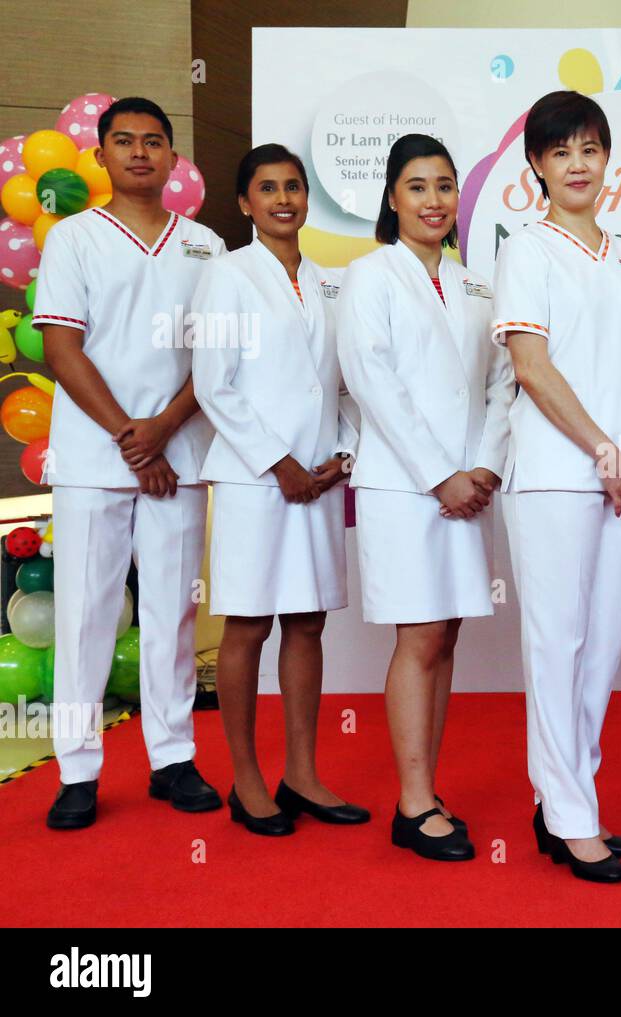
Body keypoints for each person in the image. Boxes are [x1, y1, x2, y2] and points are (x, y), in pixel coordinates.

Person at [492, 91, 621, 883]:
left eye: (590, 149)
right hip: (558, 477)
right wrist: (606, 451)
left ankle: (569, 800)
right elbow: (531, 367)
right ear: (536, 163)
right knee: (557, 644)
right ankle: (569, 817)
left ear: (608, 159)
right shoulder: (524, 250)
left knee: (600, 650)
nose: (577, 164)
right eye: (560, 150)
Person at [34, 97, 224, 829]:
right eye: (124, 141)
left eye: (154, 142)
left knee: (174, 609)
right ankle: (78, 769)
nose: (140, 152)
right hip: (93, 455)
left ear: (173, 159)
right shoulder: (75, 239)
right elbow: (61, 348)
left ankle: (172, 756)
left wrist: (163, 429)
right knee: (87, 611)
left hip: (178, 454)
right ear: (103, 156)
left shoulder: (205, 245)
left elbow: (215, 355)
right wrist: (127, 436)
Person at [337, 134, 513, 861]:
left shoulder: (476, 283)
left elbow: (504, 377)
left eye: (444, 186)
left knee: (450, 634)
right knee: (420, 636)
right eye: (417, 186)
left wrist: (486, 467)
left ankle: (429, 789)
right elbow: (371, 381)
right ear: (391, 198)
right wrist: (440, 473)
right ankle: (412, 804)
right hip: (405, 486)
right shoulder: (369, 276)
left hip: (470, 486)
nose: (434, 200)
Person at [191, 143, 368, 836]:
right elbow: (214, 384)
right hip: (253, 481)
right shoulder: (228, 276)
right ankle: (245, 778)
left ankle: (302, 772)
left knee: (307, 620)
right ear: (244, 203)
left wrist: (342, 454)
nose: (284, 198)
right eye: (268, 188)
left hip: (319, 479)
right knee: (248, 623)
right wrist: (277, 461)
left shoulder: (330, 282)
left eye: (293, 186)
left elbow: (348, 385)